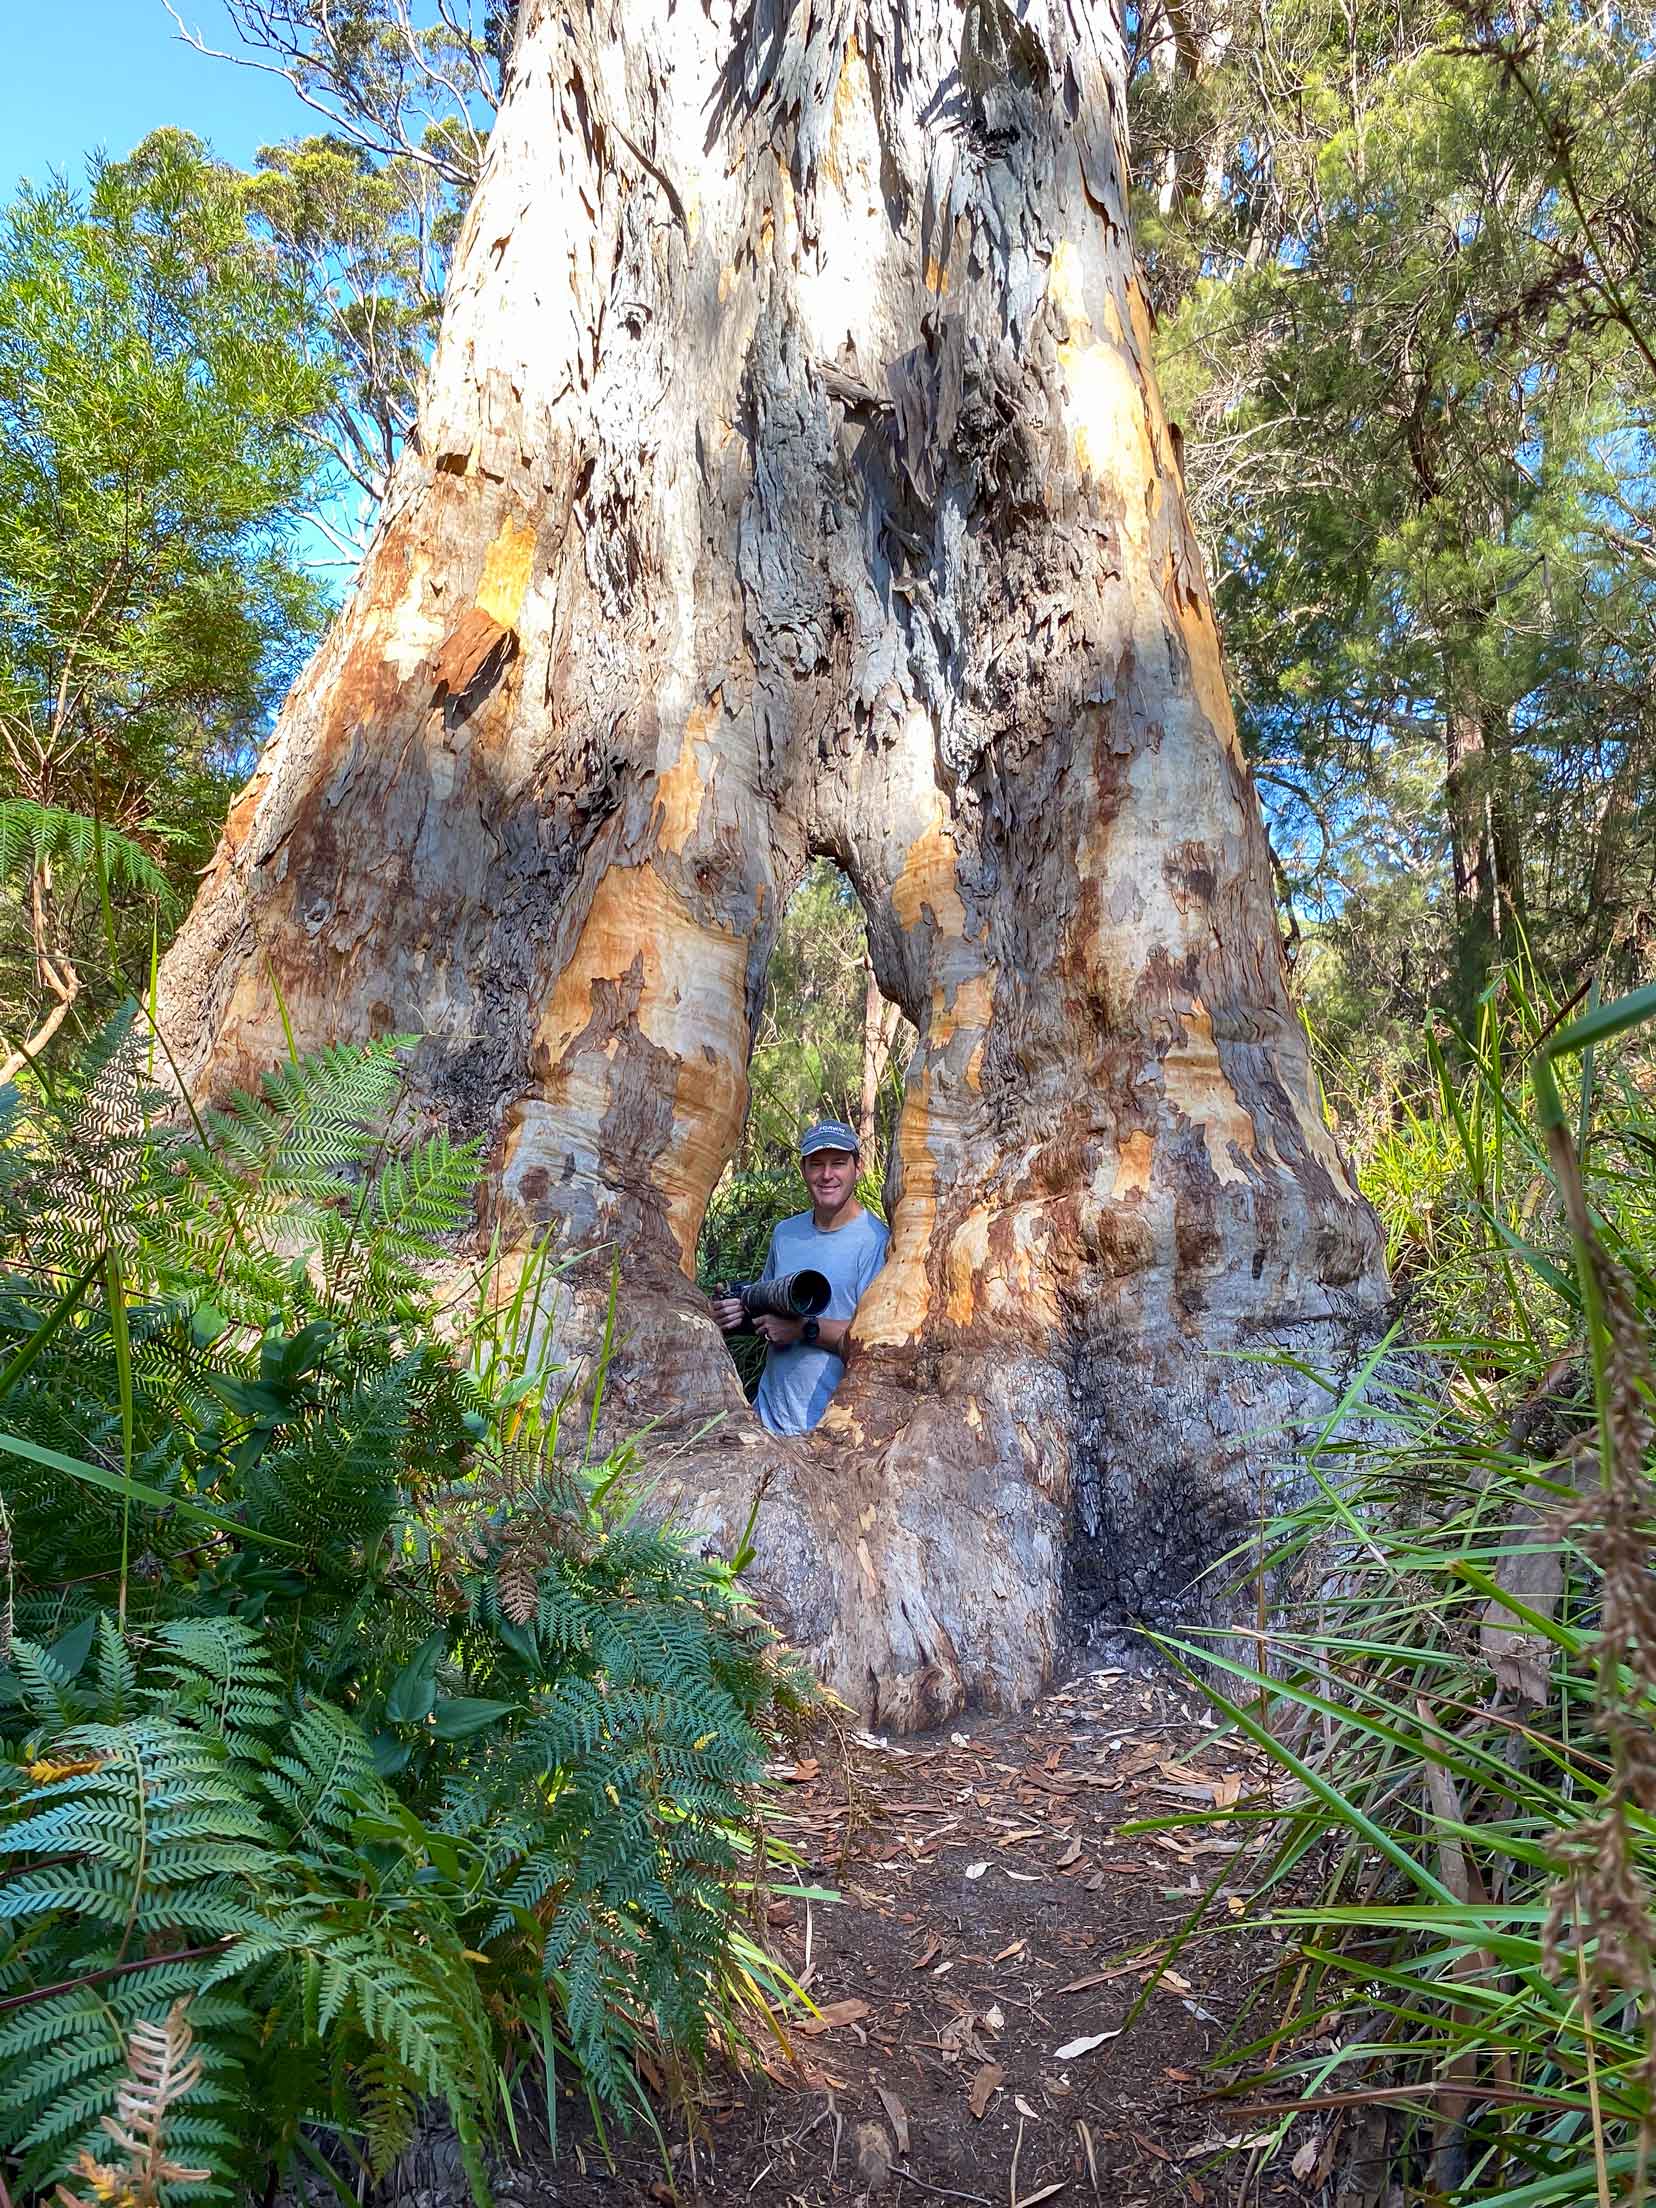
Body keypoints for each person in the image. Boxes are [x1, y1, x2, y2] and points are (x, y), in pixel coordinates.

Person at [712, 1119, 889, 1436]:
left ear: (858, 1167)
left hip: (829, 1432)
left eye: (838, 1163)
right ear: (803, 1169)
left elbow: (872, 1345)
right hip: (766, 1420)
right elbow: (770, 1311)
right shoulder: (786, 1234)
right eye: (816, 1165)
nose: (827, 1175)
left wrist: (803, 1329)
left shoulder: (877, 1242)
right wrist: (739, 1313)